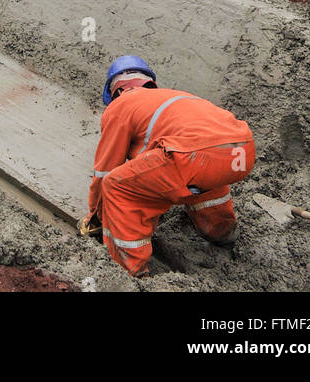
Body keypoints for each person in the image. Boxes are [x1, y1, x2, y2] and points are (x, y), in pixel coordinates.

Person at [82, 55, 256, 277]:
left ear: (115, 92)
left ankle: (128, 270)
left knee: (116, 186)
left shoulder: (120, 106)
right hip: (241, 153)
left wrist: (96, 216)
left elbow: (105, 170)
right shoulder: (174, 97)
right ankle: (222, 231)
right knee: (197, 174)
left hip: (192, 157)